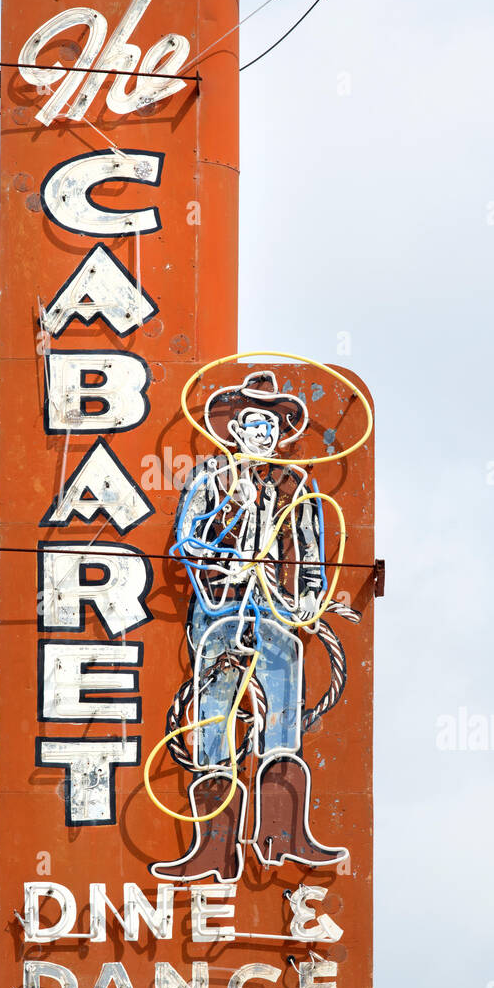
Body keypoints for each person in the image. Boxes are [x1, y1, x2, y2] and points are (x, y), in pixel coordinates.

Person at [150, 371, 350, 884]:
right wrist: (226, 559)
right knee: (214, 723)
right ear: (234, 428)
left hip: (275, 615)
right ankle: (214, 851)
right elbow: (187, 540)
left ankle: (284, 835)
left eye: (270, 426)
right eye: (253, 424)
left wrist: (307, 605)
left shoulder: (294, 485)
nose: (262, 435)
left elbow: (309, 553)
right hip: (220, 611)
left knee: (283, 713)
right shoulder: (210, 479)